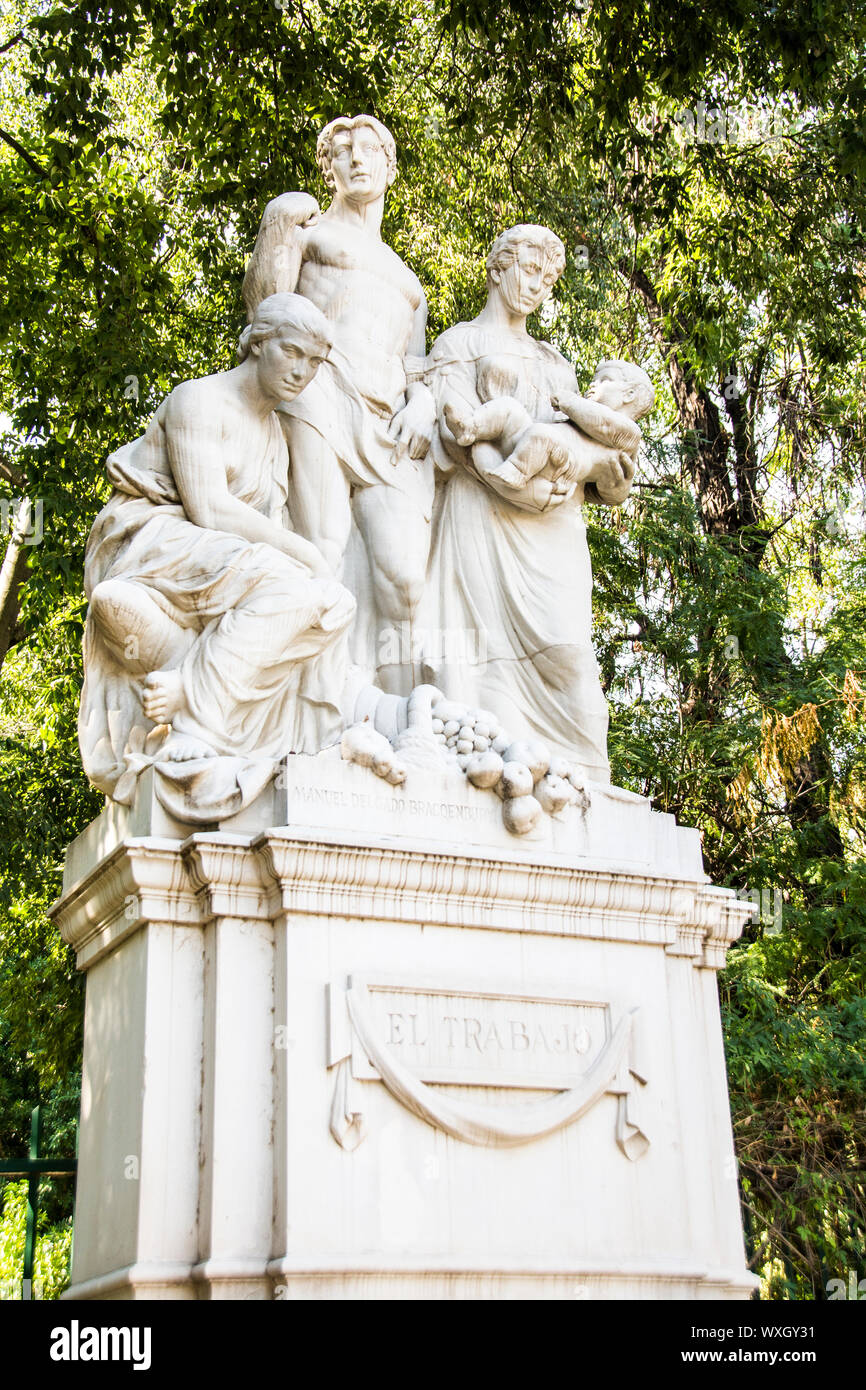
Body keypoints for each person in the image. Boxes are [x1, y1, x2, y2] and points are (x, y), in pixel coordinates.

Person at [79, 292, 356, 815]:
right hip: (149, 539)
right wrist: (308, 557)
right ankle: (199, 718)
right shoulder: (198, 401)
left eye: (314, 362)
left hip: (212, 556)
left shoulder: (275, 431)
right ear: (257, 342)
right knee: (295, 584)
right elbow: (209, 509)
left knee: (330, 606)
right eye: (291, 352)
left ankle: (192, 674)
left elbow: (259, 528)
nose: (302, 372)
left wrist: (311, 575)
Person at [424, 226, 652, 779]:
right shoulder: (458, 344)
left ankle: (587, 780)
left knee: (568, 646)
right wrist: (508, 481)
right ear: (498, 268)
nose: (537, 287)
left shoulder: (556, 361)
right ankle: (490, 765)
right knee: (481, 656)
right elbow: (454, 432)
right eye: (529, 271)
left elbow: (600, 460)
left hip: (554, 523)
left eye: (549, 279)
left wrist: (603, 471)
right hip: (483, 509)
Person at [242, 115, 436, 691]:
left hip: (387, 422)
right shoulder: (311, 234)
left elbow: (417, 367)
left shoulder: (409, 282)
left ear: (389, 166)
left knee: (404, 581)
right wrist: (276, 229)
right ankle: (317, 700)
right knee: (320, 543)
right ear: (328, 166)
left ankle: (410, 721)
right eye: (343, 151)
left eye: (370, 150)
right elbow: (266, 313)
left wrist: (422, 401)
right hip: (319, 392)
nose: (357, 159)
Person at [444, 359, 654, 501]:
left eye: (604, 381)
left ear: (629, 394)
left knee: (542, 435)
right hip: (531, 444)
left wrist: (571, 402)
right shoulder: (585, 416)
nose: (593, 385)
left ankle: (516, 472)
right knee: (510, 408)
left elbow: (603, 424)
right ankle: (470, 427)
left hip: (562, 462)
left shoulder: (629, 432)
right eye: (594, 379)